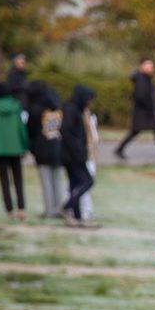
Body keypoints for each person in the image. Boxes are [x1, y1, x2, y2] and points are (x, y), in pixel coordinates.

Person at [0, 82, 29, 221]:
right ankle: (21, 209)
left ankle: (9, 211)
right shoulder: (16, 106)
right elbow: (21, 128)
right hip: (15, 147)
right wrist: (24, 145)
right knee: (18, 179)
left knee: (4, 181)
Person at [115, 58, 155, 160]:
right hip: (143, 112)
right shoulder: (141, 79)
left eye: (152, 66)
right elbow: (139, 96)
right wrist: (149, 106)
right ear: (142, 67)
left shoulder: (146, 78)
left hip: (146, 112)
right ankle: (119, 150)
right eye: (149, 66)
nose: (151, 68)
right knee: (135, 131)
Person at [59, 84, 98, 229]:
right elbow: (66, 131)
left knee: (75, 183)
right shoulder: (71, 110)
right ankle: (66, 207)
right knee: (87, 181)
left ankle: (77, 217)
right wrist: (79, 149)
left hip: (73, 154)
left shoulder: (74, 109)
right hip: (73, 156)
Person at [26, 81, 65, 218]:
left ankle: (50, 210)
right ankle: (60, 208)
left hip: (41, 149)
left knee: (46, 181)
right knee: (58, 181)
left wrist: (32, 148)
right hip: (58, 148)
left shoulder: (35, 109)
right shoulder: (58, 108)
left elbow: (30, 131)